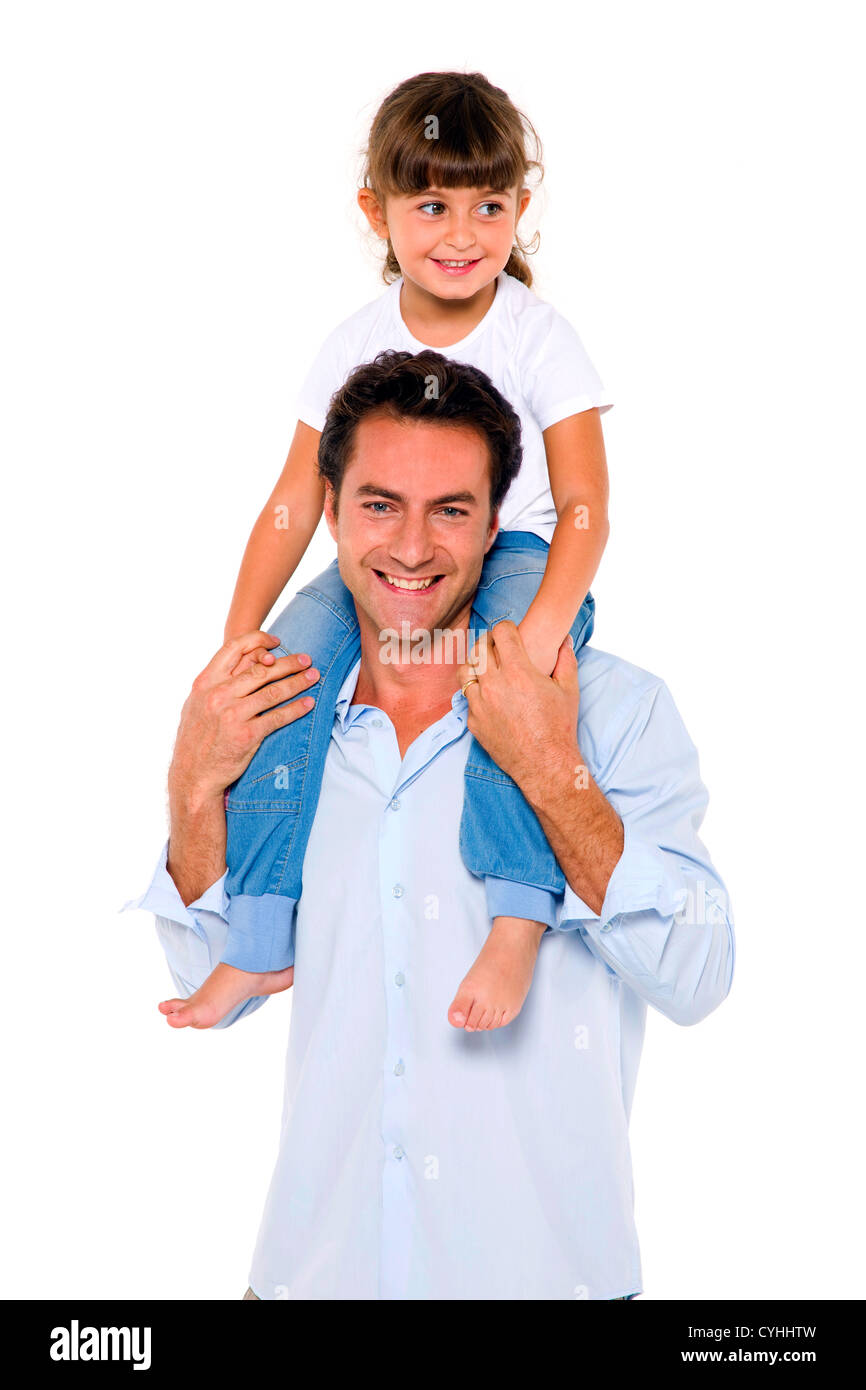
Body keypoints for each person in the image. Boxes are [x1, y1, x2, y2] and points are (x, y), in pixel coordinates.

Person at [126, 352, 734, 1301]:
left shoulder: (614, 709)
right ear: (328, 511)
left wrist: (550, 773)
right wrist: (192, 787)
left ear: (497, 522)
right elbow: (210, 978)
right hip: (308, 1280)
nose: (412, 546)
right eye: (379, 505)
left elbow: (701, 976)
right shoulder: (279, 720)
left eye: (450, 509)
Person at [187, 70, 614, 1031]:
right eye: (431, 205)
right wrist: (238, 634)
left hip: (515, 554)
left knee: (504, 697)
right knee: (284, 682)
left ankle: (516, 915)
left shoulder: (540, 338)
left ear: (522, 210)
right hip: (390, 560)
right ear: (376, 213)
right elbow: (297, 501)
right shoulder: (352, 344)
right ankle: (256, 935)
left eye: (488, 206)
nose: (462, 234)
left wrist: (542, 627)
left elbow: (586, 501)